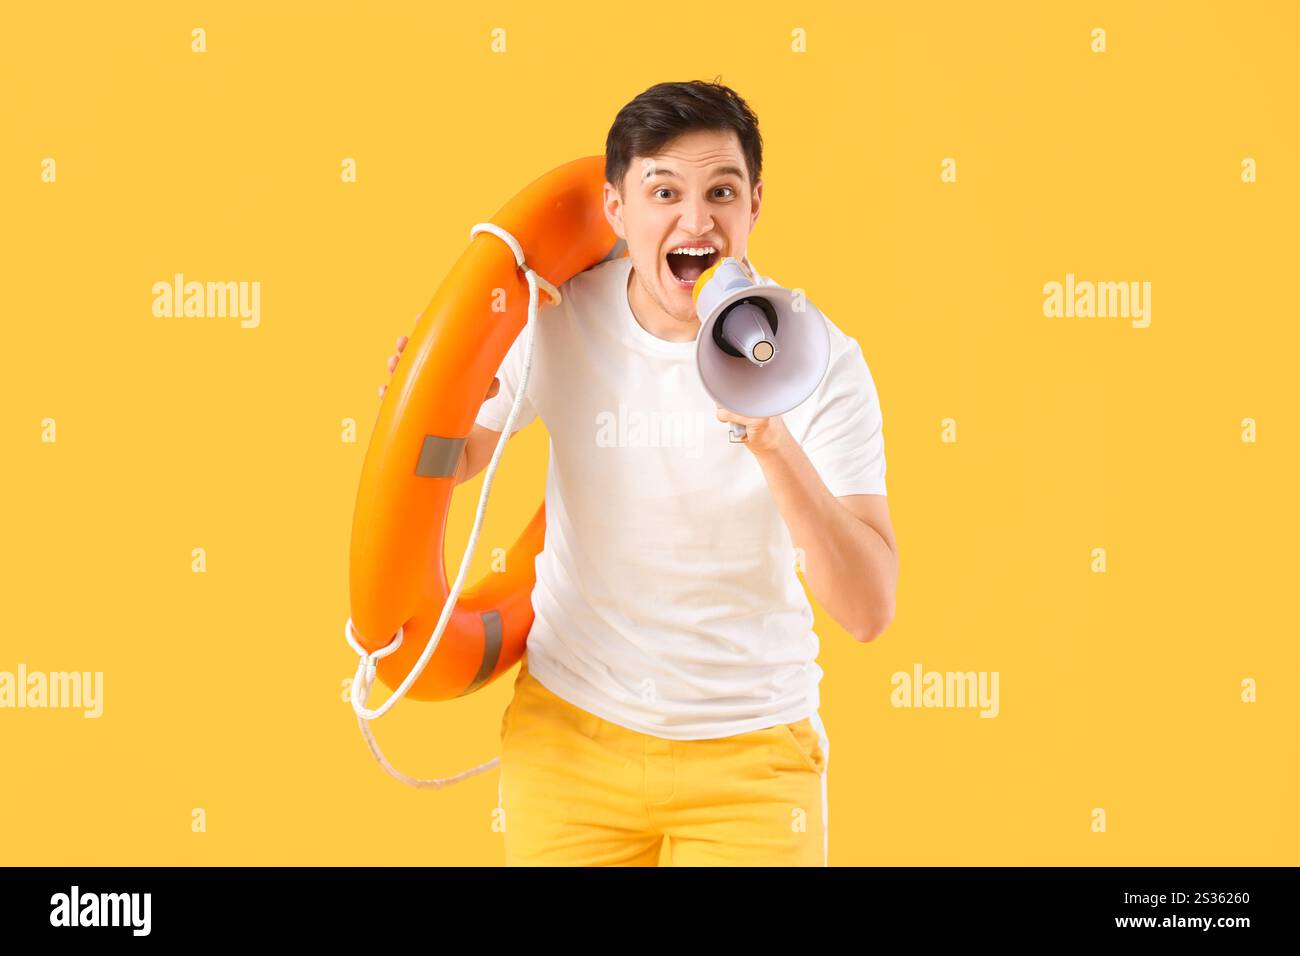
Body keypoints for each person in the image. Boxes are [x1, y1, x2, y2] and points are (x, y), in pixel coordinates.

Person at [380, 79, 899, 866]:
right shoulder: (556, 316)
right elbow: (462, 465)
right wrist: (437, 403)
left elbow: (867, 610)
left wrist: (772, 440)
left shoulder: (821, 363)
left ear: (755, 204)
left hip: (750, 759)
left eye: (721, 191)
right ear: (618, 210)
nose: (697, 220)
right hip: (570, 739)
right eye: (665, 191)